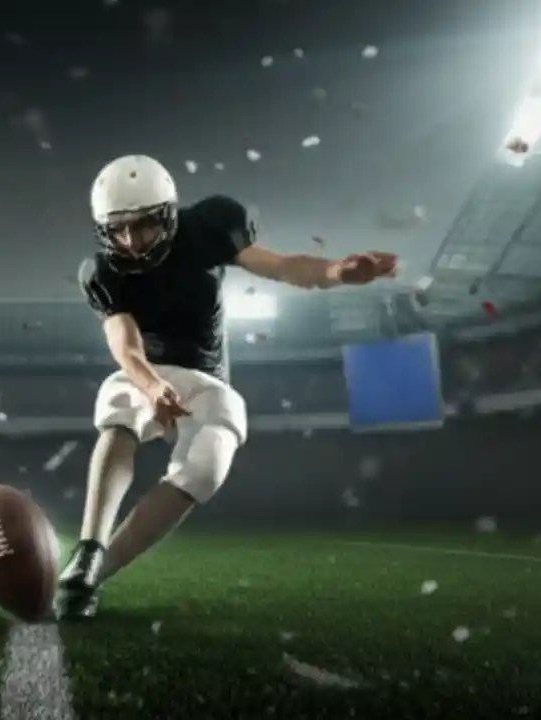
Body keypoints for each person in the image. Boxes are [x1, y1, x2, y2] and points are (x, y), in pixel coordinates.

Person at [54, 154, 398, 620]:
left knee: (206, 468)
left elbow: (281, 267)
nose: (131, 241)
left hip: (207, 380)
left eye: (144, 225)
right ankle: (88, 550)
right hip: (148, 370)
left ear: (168, 215)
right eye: (119, 229)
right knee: (120, 405)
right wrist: (152, 387)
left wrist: (338, 271)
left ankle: (93, 579)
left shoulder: (207, 228)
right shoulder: (104, 272)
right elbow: (126, 347)